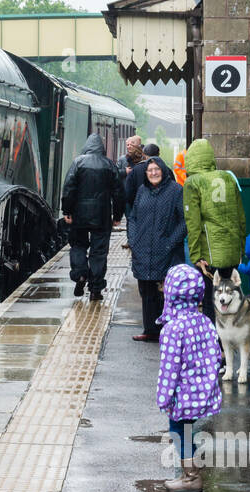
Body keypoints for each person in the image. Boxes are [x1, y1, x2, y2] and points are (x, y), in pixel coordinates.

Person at [155, 263, 224, 492]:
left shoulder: (172, 329)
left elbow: (169, 370)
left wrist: (163, 398)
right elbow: (215, 357)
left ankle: (191, 477)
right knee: (186, 430)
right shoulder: (205, 322)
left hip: (182, 395)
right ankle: (191, 472)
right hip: (202, 392)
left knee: (178, 430)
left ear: (172, 294)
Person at [182, 138, 246, 317]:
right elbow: (240, 217)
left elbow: (193, 223)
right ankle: (230, 340)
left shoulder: (193, 182)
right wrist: (242, 248)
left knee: (212, 299)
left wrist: (195, 255)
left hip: (209, 256)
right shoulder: (228, 177)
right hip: (232, 252)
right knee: (231, 297)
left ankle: (213, 341)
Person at [61, 132, 125, 301]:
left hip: (79, 215)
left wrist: (67, 211)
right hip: (102, 216)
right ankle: (96, 289)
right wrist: (117, 216)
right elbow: (119, 193)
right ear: (102, 148)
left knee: (78, 246)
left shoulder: (78, 162)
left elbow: (68, 189)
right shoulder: (110, 165)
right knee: (99, 252)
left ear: (87, 147)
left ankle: (81, 275)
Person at [127, 157, 185, 342]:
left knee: (167, 292)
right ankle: (150, 330)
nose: (153, 173)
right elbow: (133, 217)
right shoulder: (142, 191)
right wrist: (133, 239)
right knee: (146, 290)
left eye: (156, 169)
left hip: (167, 250)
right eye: (150, 170)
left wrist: (170, 242)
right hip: (143, 249)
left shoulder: (176, 191)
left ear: (163, 170)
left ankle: (168, 331)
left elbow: (184, 221)